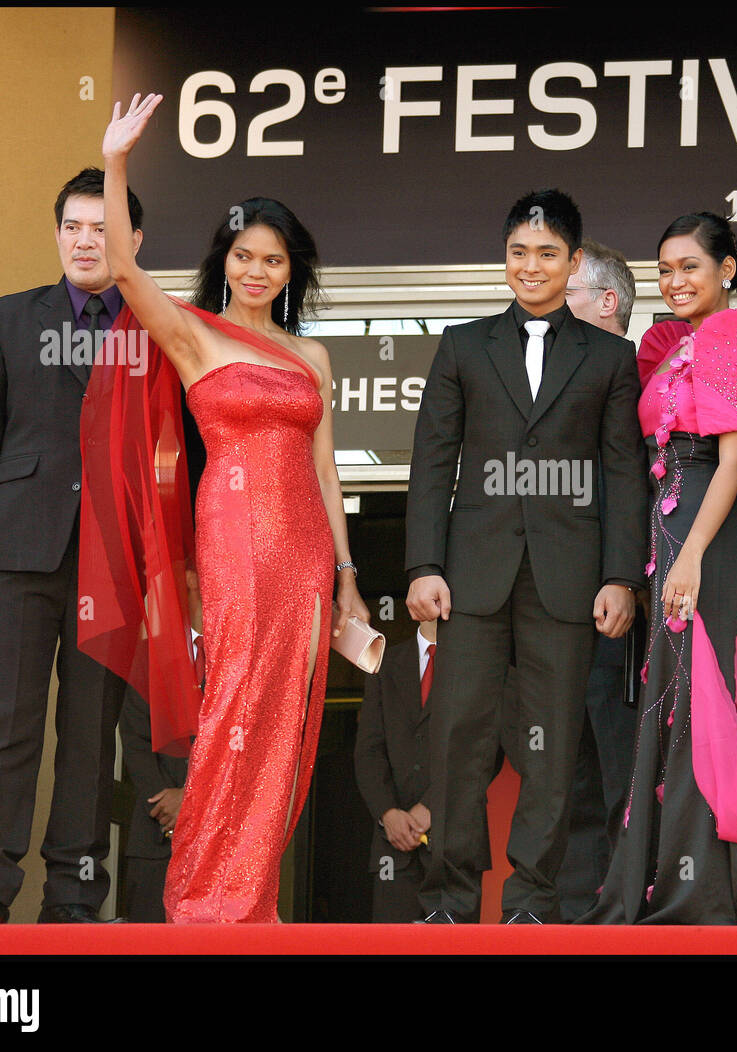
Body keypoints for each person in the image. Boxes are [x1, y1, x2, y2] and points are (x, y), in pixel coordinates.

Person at [86, 92, 369, 923]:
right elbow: (126, 273)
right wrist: (116, 162)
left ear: (292, 272)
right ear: (227, 260)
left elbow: (324, 471)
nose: (257, 271)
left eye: (274, 261)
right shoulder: (195, 334)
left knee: (288, 717)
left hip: (308, 553)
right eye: (245, 255)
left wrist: (348, 578)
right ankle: (204, 899)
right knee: (237, 705)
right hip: (236, 535)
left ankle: (253, 899)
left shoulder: (311, 354)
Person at [405, 188, 648, 924]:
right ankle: (448, 900)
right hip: (472, 575)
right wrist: (422, 566)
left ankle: (532, 903)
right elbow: (431, 464)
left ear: (573, 262)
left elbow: (623, 473)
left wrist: (619, 577)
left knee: (552, 750)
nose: (530, 266)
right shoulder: (462, 344)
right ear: (504, 259)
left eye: (547, 253)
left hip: (568, 579)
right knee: (458, 742)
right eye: (518, 252)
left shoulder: (610, 356)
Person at [584, 212, 737, 925]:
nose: (675, 281)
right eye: (664, 269)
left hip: (708, 545)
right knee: (672, 706)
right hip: (667, 531)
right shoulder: (672, 346)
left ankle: (708, 894)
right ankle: (667, 883)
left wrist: (688, 559)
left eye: (690, 266)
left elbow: (736, 459)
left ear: (728, 270)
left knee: (703, 706)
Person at [0, 167, 144, 924]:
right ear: (57, 234)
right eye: (73, 227)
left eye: (103, 228)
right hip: (17, 550)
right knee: (7, 725)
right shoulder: (5, 317)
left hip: (114, 560)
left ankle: (75, 896)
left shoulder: (154, 325)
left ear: (132, 240)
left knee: (92, 738)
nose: (86, 241)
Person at [556, 238, 642, 918]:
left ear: (607, 303)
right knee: (563, 776)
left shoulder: (650, 384)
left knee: (625, 773)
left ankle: (626, 913)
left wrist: (625, 582)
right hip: (551, 614)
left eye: (568, 294)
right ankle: (573, 919)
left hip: (627, 621)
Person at [353, 620, 490, 922]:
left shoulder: (480, 661)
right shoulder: (384, 662)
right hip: (393, 843)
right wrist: (387, 812)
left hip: (457, 843)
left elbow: (486, 748)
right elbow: (368, 751)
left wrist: (432, 806)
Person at [118, 684, 187, 923]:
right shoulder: (151, 664)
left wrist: (190, 798)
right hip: (154, 835)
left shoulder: (237, 665)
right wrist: (166, 802)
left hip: (220, 840)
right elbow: (134, 740)